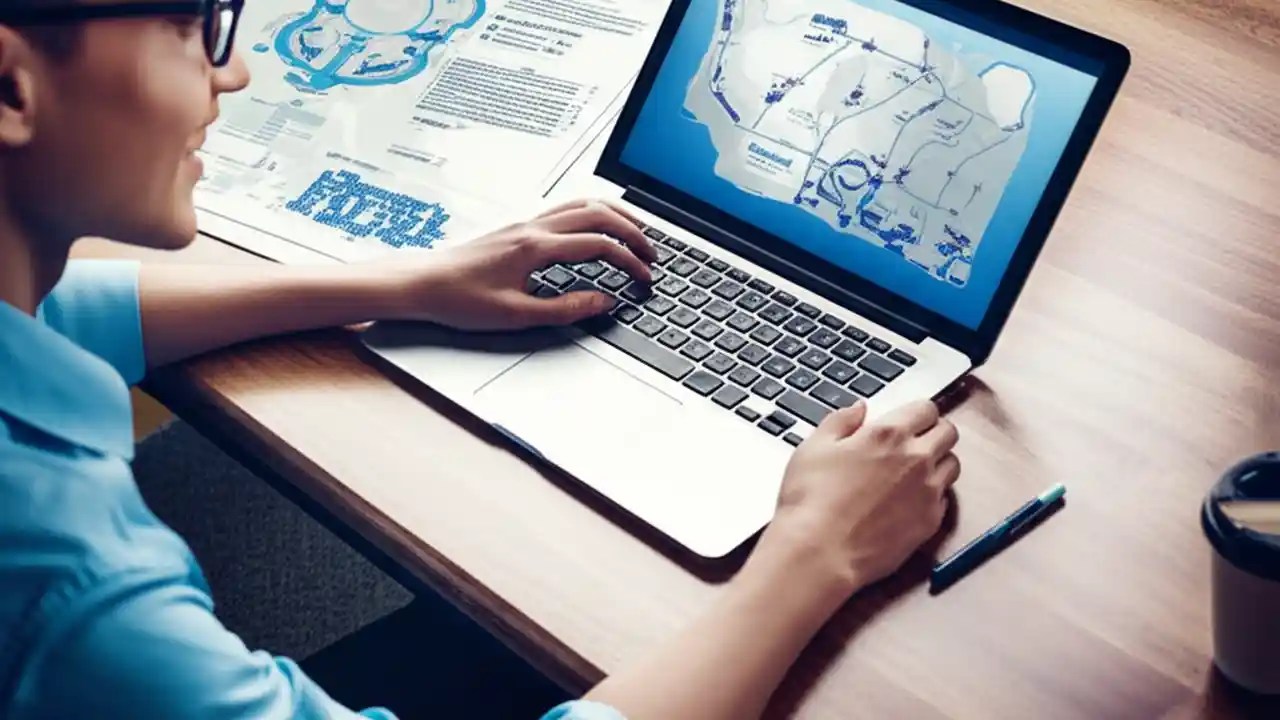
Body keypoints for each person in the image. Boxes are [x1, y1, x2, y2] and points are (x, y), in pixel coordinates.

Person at [0, 1, 961, 718]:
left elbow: (57, 315)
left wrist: (399, 283)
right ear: (10, 87)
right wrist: (813, 554)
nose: (236, 71)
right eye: (195, 25)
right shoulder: (75, 591)